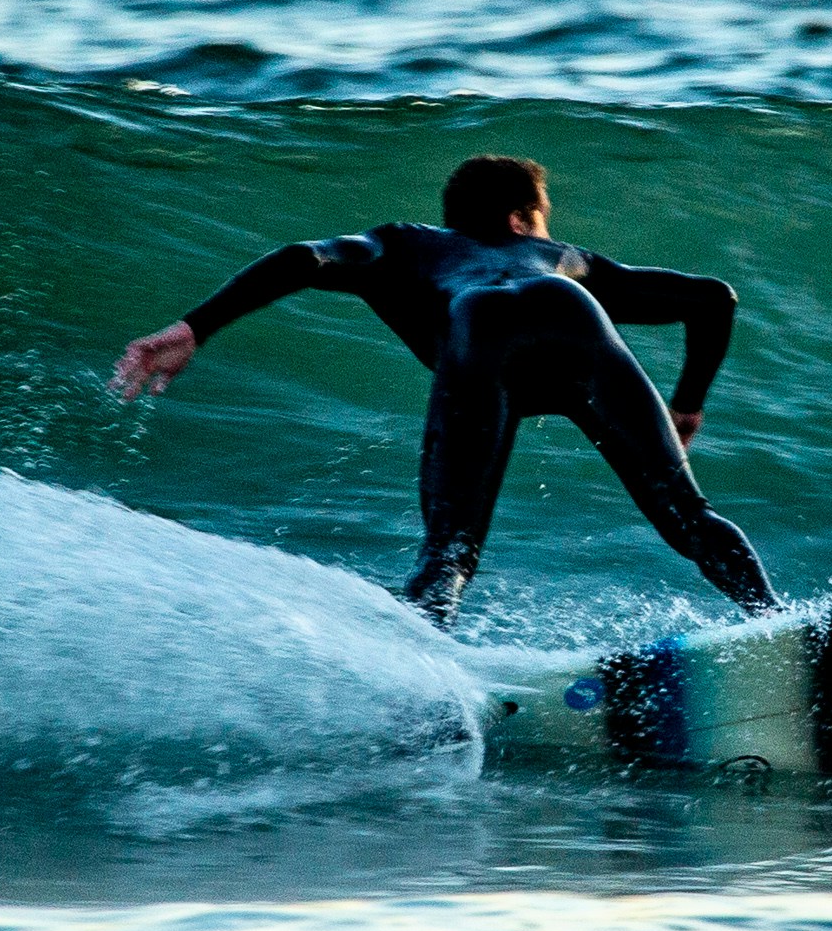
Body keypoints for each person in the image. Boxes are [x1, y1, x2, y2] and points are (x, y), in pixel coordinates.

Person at [112, 153, 779, 629]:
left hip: (477, 326)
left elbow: (306, 257)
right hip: (571, 314)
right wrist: (686, 404)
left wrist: (196, 327)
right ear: (522, 221)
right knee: (691, 517)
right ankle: (775, 624)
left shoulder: (404, 246)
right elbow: (712, 299)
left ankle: (423, 677)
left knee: (450, 550)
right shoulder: (570, 260)